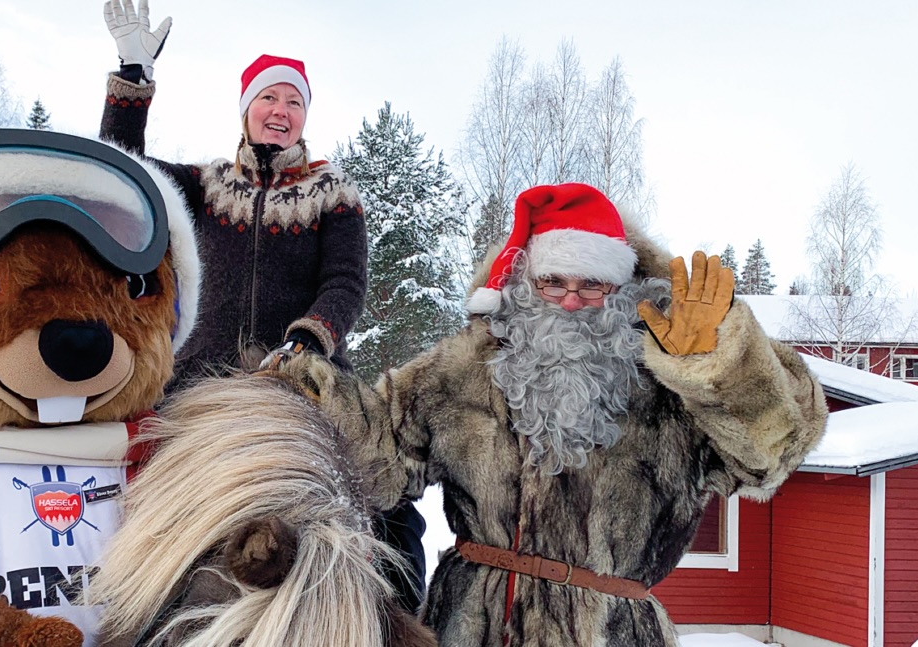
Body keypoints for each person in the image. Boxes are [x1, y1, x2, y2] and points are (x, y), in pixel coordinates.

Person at [273, 183, 829, 646]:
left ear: (621, 286)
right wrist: (306, 389)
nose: (569, 300)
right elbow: (378, 457)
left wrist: (717, 366)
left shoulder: (668, 382)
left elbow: (771, 454)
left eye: (592, 285)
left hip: (613, 633)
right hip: (472, 629)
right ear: (526, 283)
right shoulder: (467, 366)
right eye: (553, 281)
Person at [97, 0, 431, 613]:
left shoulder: (334, 194)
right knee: (145, 502)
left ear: (305, 117)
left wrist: (309, 341)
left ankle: (398, 619)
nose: (281, 111)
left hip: (305, 382)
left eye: (294, 102)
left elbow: (345, 283)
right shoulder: (204, 185)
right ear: (247, 109)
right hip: (203, 385)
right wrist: (133, 80)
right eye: (270, 99)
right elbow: (123, 174)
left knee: (391, 507)